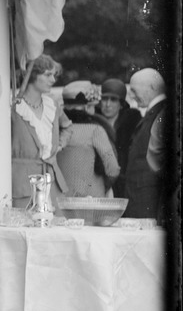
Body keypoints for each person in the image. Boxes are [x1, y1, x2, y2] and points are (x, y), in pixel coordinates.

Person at [11, 54, 72, 208]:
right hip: (22, 181)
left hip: (51, 178)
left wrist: (59, 145)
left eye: (54, 75)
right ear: (32, 75)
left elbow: (67, 126)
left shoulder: (52, 105)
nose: (53, 80)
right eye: (47, 75)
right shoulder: (15, 107)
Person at [55, 81, 120, 198]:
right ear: (88, 107)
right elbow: (113, 168)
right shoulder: (95, 130)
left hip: (59, 199)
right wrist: (106, 184)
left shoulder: (54, 130)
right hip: (90, 199)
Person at [123, 68, 167, 220]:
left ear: (152, 88)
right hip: (141, 198)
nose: (130, 96)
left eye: (134, 90)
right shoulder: (155, 112)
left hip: (149, 200)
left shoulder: (162, 113)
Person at [96, 78, 141, 198]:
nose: (108, 104)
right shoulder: (93, 122)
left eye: (113, 99)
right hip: (98, 181)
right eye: (104, 99)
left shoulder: (131, 125)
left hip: (124, 183)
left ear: (121, 104)